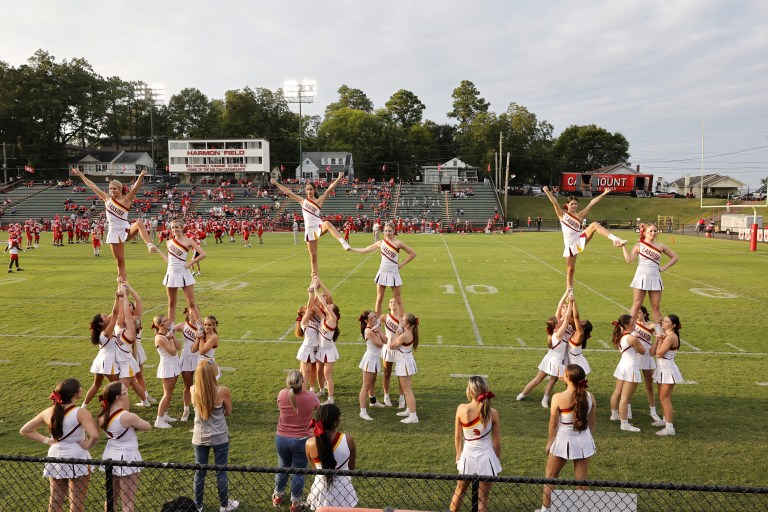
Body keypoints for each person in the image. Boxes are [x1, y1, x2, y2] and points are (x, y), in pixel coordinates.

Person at [20, 378, 100, 512]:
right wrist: (86, 446)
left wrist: (48, 441)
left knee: (55, 499)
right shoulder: (81, 413)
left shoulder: (48, 411)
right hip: (78, 457)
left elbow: (25, 430)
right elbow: (96, 435)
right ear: (76, 394)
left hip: (55, 456)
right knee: (76, 501)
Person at [71, 169, 155, 281]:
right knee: (120, 261)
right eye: (110, 188)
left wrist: (141, 176)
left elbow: (135, 188)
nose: (112, 190)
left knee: (139, 223)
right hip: (113, 231)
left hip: (125, 229)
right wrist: (81, 175)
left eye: (114, 189)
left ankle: (149, 245)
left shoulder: (126, 199)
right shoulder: (107, 198)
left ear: (120, 189)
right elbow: (93, 186)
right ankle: (122, 284)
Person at [536, 364, 596, 512]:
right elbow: (592, 424)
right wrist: (589, 441)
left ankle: (546, 510)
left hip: (563, 441)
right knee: (581, 481)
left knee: (550, 476)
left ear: (568, 378)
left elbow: (552, 425)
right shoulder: (590, 397)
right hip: (584, 440)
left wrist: (549, 442)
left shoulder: (558, 397)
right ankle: (583, 509)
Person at [270, 174, 351, 283]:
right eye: (307, 190)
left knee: (327, 223)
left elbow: (330, 188)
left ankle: (343, 242)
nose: (309, 192)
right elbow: (288, 192)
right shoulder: (302, 201)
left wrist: (339, 178)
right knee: (313, 257)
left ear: (314, 190)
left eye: (311, 189)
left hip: (318, 227)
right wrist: (276, 183)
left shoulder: (319, 201)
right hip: (309, 231)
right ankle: (314, 278)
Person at [542, 186, 626, 290]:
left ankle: (616, 239)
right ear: (567, 205)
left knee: (595, 224)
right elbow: (555, 203)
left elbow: (591, 203)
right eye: (572, 204)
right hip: (570, 245)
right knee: (570, 270)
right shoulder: (562, 215)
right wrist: (547, 192)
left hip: (580, 239)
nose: (574, 206)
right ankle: (569, 291)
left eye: (576, 204)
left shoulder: (579, 215)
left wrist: (604, 193)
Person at [191, 360, 239, 512]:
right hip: (219, 437)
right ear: (213, 374)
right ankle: (224, 505)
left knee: (200, 472)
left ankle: (197, 505)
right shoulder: (222, 391)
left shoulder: (193, 390)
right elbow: (229, 411)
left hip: (199, 437)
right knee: (221, 472)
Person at [98, 381, 152, 512]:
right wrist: (133, 428)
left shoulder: (102, 415)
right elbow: (147, 426)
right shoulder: (127, 416)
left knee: (111, 499)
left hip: (110, 455)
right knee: (128, 501)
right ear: (118, 397)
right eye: (124, 390)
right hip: (127, 456)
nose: (127, 389)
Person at [449, 376, 501, 512]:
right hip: (487, 458)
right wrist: (496, 460)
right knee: (482, 498)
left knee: (459, 492)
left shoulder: (461, 409)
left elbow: (457, 437)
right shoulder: (493, 413)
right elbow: (497, 443)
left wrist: (458, 454)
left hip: (467, 457)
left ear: (470, 392)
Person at [273, 370, 320, 512]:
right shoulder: (310, 396)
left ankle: (277, 495)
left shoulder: (282, 394)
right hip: (301, 440)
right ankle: (295, 503)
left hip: (281, 439)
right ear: (302, 382)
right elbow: (317, 406)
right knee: (298, 472)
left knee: (283, 467)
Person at [348, 222, 416, 316]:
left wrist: (402, 264)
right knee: (379, 299)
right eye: (386, 231)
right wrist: (351, 249)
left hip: (393, 273)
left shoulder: (398, 243)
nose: (387, 233)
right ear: (383, 232)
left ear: (394, 231)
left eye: (390, 231)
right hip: (382, 272)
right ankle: (377, 321)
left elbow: (412, 253)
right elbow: (365, 250)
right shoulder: (380, 243)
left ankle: (401, 321)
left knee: (398, 299)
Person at [622, 223, 679, 334]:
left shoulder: (661, 246)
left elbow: (675, 257)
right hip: (641, 276)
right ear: (644, 233)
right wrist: (624, 247)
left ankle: (659, 332)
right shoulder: (639, 245)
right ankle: (630, 330)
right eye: (650, 231)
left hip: (655, 277)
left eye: (655, 231)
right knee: (636, 304)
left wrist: (664, 267)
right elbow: (629, 260)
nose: (653, 233)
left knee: (656, 306)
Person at [155, 219, 206, 334]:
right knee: (171, 303)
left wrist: (190, 263)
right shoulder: (169, 242)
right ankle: (171, 327)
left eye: (176, 227)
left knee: (191, 302)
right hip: (171, 273)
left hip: (183, 273)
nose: (174, 230)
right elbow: (169, 261)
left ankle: (200, 326)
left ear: (182, 228)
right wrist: (158, 251)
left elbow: (203, 254)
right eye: (172, 228)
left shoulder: (189, 241)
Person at [305, 404, 357, 509]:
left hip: (320, 488)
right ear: (336, 422)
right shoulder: (348, 440)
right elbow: (351, 467)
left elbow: (315, 469)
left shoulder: (310, 443)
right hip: (344, 489)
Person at [83, 289, 123, 407]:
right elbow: (115, 313)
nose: (108, 317)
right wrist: (117, 297)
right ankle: (112, 407)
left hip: (100, 361)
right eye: (105, 317)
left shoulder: (101, 332)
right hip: (108, 362)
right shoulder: (106, 332)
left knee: (96, 385)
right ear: (101, 323)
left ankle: (84, 406)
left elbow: (113, 313)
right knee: (115, 387)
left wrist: (119, 288)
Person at [609, 314, 646, 432]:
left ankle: (614, 414)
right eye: (632, 323)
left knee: (617, 392)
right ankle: (624, 423)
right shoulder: (631, 338)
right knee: (625, 398)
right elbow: (642, 351)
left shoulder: (621, 336)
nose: (634, 324)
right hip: (631, 367)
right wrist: (637, 339)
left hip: (623, 365)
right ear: (626, 325)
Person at [650, 314, 683, 436]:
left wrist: (659, 339)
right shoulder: (665, 335)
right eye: (663, 321)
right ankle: (665, 421)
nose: (663, 322)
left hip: (668, 370)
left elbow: (658, 354)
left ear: (673, 325)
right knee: (662, 398)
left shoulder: (670, 337)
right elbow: (652, 352)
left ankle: (670, 428)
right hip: (661, 370)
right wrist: (658, 337)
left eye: (666, 321)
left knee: (665, 399)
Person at [632, 306, 663, 425]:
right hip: (635, 355)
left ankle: (653, 411)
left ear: (645, 314)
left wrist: (659, 324)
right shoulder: (633, 325)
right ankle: (627, 408)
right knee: (632, 383)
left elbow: (658, 330)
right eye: (637, 313)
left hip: (647, 356)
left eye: (640, 313)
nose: (638, 315)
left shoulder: (650, 325)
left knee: (649, 385)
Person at [151, 315, 181, 428]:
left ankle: (165, 415)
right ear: (160, 325)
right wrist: (169, 338)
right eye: (165, 321)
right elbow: (172, 351)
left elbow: (178, 347)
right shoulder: (159, 338)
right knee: (167, 394)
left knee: (170, 393)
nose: (168, 321)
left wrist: (172, 337)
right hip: (167, 367)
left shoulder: (167, 335)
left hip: (173, 365)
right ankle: (159, 420)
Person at [389, 313, 419, 424]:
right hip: (406, 361)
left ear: (408, 324)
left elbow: (391, 346)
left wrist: (397, 334)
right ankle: (409, 410)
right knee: (407, 390)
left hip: (404, 363)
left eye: (403, 320)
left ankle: (413, 416)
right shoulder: (409, 332)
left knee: (407, 391)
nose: (401, 320)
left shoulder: (405, 335)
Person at [357, 310, 387, 420]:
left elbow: (386, 340)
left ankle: (373, 401)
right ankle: (362, 411)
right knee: (365, 386)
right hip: (369, 359)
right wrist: (378, 331)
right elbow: (379, 344)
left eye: (374, 317)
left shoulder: (375, 328)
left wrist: (379, 330)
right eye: (371, 318)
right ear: (366, 321)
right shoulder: (368, 331)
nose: (374, 319)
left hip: (375, 359)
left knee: (373, 382)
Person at [313, 287, 340, 405]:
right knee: (319, 371)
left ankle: (331, 398)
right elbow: (313, 306)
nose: (328, 307)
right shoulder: (324, 318)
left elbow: (324, 302)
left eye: (331, 307)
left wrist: (315, 291)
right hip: (321, 349)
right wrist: (313, 285)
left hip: (329, 350)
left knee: (327, 374)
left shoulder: (333, 320)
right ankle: (322, 390)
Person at [174, 307, 200, 422]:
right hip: (186, 356)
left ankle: (199, 409)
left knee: (200, 385)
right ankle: (186, 409)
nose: (194, 315)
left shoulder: (202, 325)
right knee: (187, 386)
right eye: (191, 313)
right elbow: (167, 331)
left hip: (199, 357)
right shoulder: (182, 325)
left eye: (195, 313)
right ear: (187, 314)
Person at [380, 298, 404, 408]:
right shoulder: (384, 317)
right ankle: (386, 396)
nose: (393, 303)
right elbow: (375, 325)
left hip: (399, 347)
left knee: (401, 374)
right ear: (389, 306)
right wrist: (380, 335)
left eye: (395, 302)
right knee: (387, 373)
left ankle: (402, 398)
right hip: (388, 346)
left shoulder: (403, 319)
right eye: (391, 302)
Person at [191, 315, 222, 381]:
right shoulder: (203, 333)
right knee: (200, 387)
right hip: (200, 363)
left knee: (209, 387)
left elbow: (202, 351)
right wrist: (198, 337)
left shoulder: (214, 337)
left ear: (214, 326)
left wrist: (201, 338)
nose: (206, 327)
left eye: (209, 325)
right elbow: (193, 350)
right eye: (205, 324)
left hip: (209, 364)